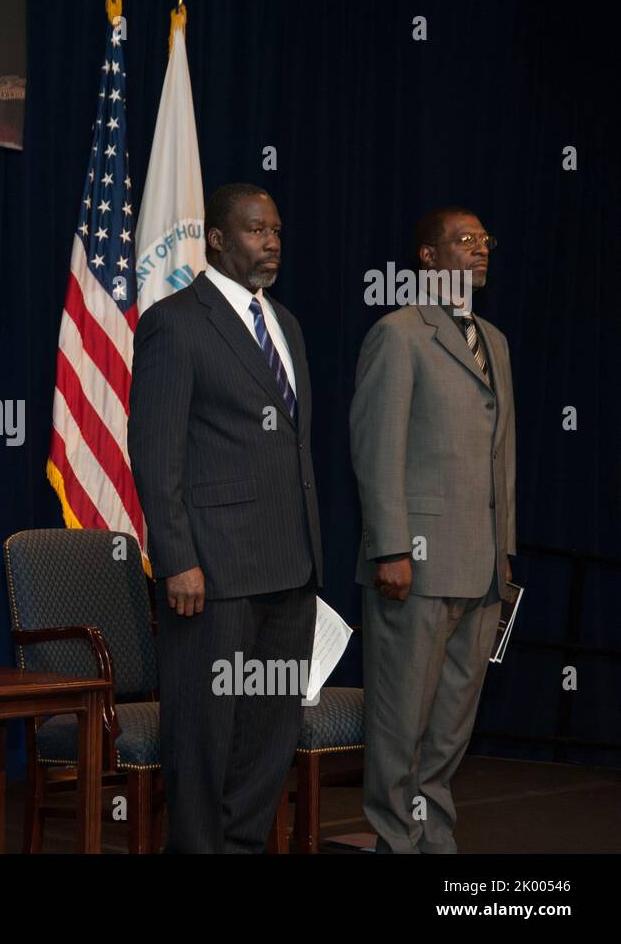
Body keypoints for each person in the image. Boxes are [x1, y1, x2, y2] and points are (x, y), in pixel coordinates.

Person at [129, 183, 322, 853]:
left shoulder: (288, 325)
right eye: (253, 229)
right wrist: (177, 556)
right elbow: (156, 452)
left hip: (290, 571)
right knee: (204, 744)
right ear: (216, 238)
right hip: (212, 577)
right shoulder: (175, 322)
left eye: (274, 229)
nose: (270, 241)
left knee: (267, 743)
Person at [350, 206, 515, 853]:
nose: (477, 250)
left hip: (481, 568)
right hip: (412, 566)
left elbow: (503, 454)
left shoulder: (495, 341)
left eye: (483, 240)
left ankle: (434, 841)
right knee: (401, 722)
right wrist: (390, 546)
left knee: (450, 726)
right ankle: (395, 840)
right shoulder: (398, 333)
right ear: (426, 256)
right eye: (462, 240)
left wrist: (505, 549)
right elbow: (375, 447)